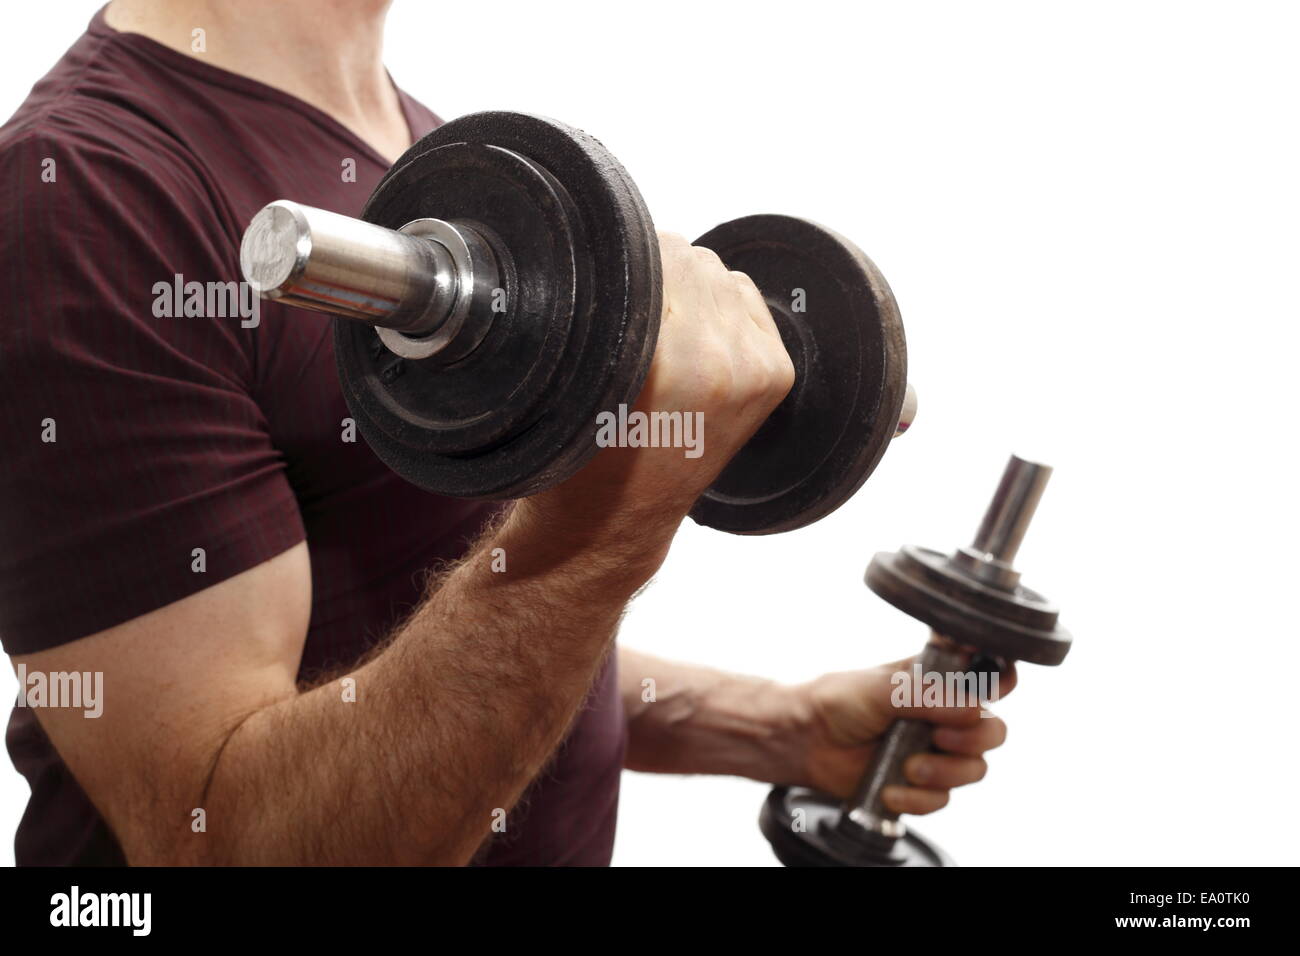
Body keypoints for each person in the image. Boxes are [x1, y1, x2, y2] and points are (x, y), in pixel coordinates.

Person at [0, 1, 1011, 866]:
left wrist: (776, 724)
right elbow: (215, 836)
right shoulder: (87, 195)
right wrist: (608, 520)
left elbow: (440, 629)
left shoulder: (425, 152)